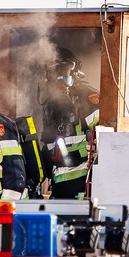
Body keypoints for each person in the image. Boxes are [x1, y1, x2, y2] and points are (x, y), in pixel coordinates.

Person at [39, 48, 100, 200]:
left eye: (63, 72)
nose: (58, 78)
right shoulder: (51, 106)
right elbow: (49, 147)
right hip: (59, 187)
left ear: (74, 74)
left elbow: (105, 142)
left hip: (84, 185)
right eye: (53, 72)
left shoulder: (88, 99)